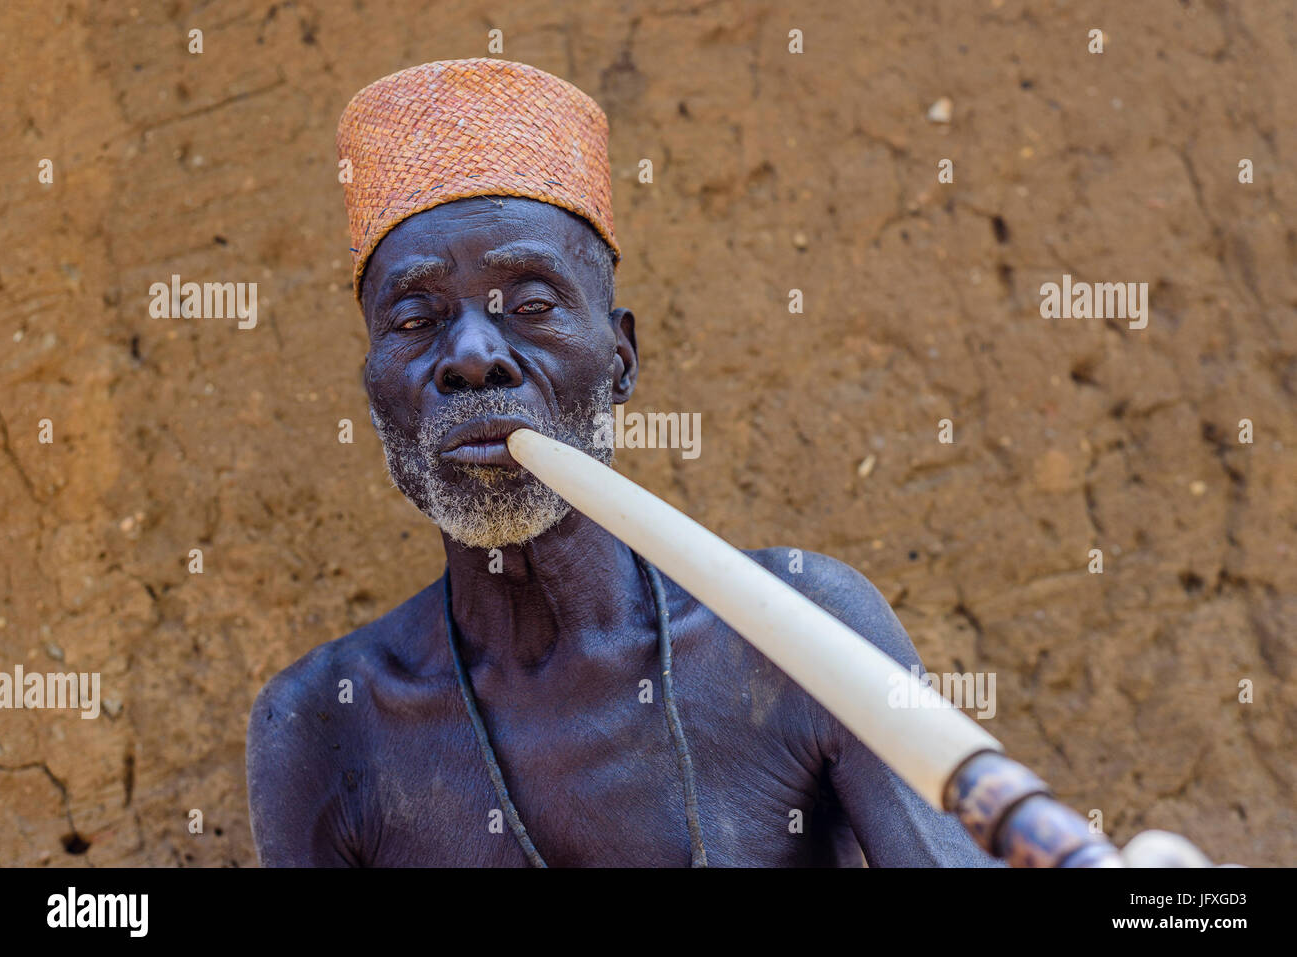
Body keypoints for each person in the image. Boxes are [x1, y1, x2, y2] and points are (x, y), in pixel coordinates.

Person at [246, 58, 999, 867]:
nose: (470, 357)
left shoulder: (799, 632)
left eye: (530, 306)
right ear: (375, 392)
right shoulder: (326, 725)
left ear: (621, 360)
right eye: (415, 319)